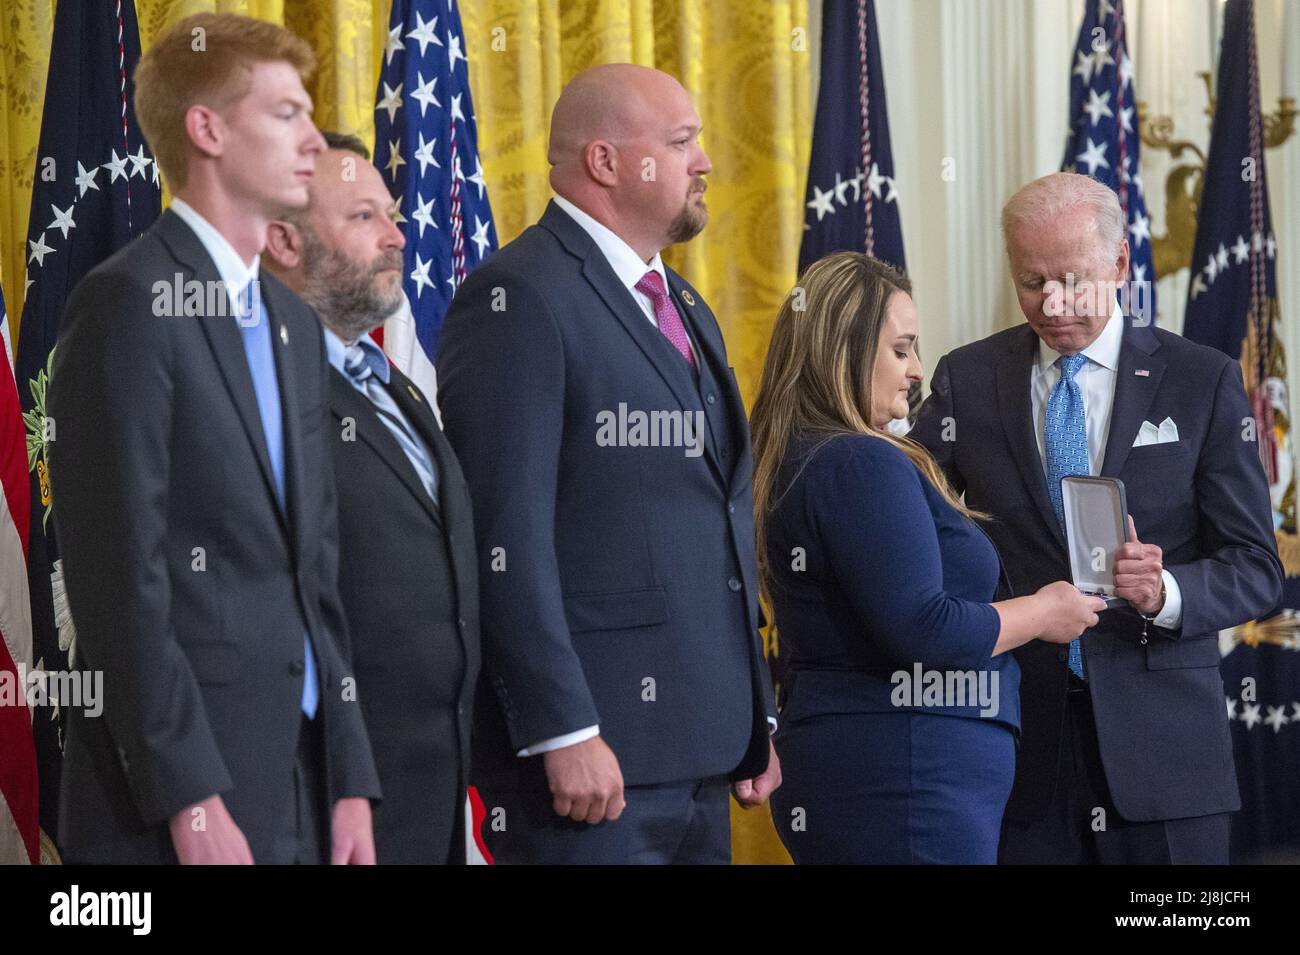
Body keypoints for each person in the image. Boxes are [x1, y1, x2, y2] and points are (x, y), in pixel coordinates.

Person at [48, 13, 379, 864]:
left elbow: (319, 572)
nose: (314, 139)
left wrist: (349, 779)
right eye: (286, 115)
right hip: (173, 804)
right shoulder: (126, 303)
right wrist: (189, 794)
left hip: (301, 787)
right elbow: (119, 578)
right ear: (207, 129)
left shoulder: (290, 323)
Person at [435, 63, 780, 864]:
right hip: (592, 761)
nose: (704, 162)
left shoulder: (684, 304)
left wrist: (755, 714)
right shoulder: (518, 297)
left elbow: (716, 520)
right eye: (682, 141)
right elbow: (503, 533)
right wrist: (562, 726)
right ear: (605, 161)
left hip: (703, 754)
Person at [911, 171, 1283, 864]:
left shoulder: (1199, 379)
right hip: (1020, 751)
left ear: (1118, 265)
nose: (1051, 304)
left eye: (1072, 280)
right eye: (1031, 281)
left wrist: (1165, 592)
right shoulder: (967, 378)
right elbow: (907, 518)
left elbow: (1257, 569)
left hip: (1167, 760)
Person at [751, 252, 1103, 864]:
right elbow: (925, 628)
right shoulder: (861, 461)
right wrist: (1045, 612)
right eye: (901, 350)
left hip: (888, 773)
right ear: (845, 350)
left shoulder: (811, 453)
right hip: (905, 779)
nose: (916, 371)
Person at [263, 131, 479, 864]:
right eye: (364, 218)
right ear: (283, 239)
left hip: (437, 795)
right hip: (323, 805)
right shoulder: (254, 387)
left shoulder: (397, 385)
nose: (397, 237)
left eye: (391, 215)